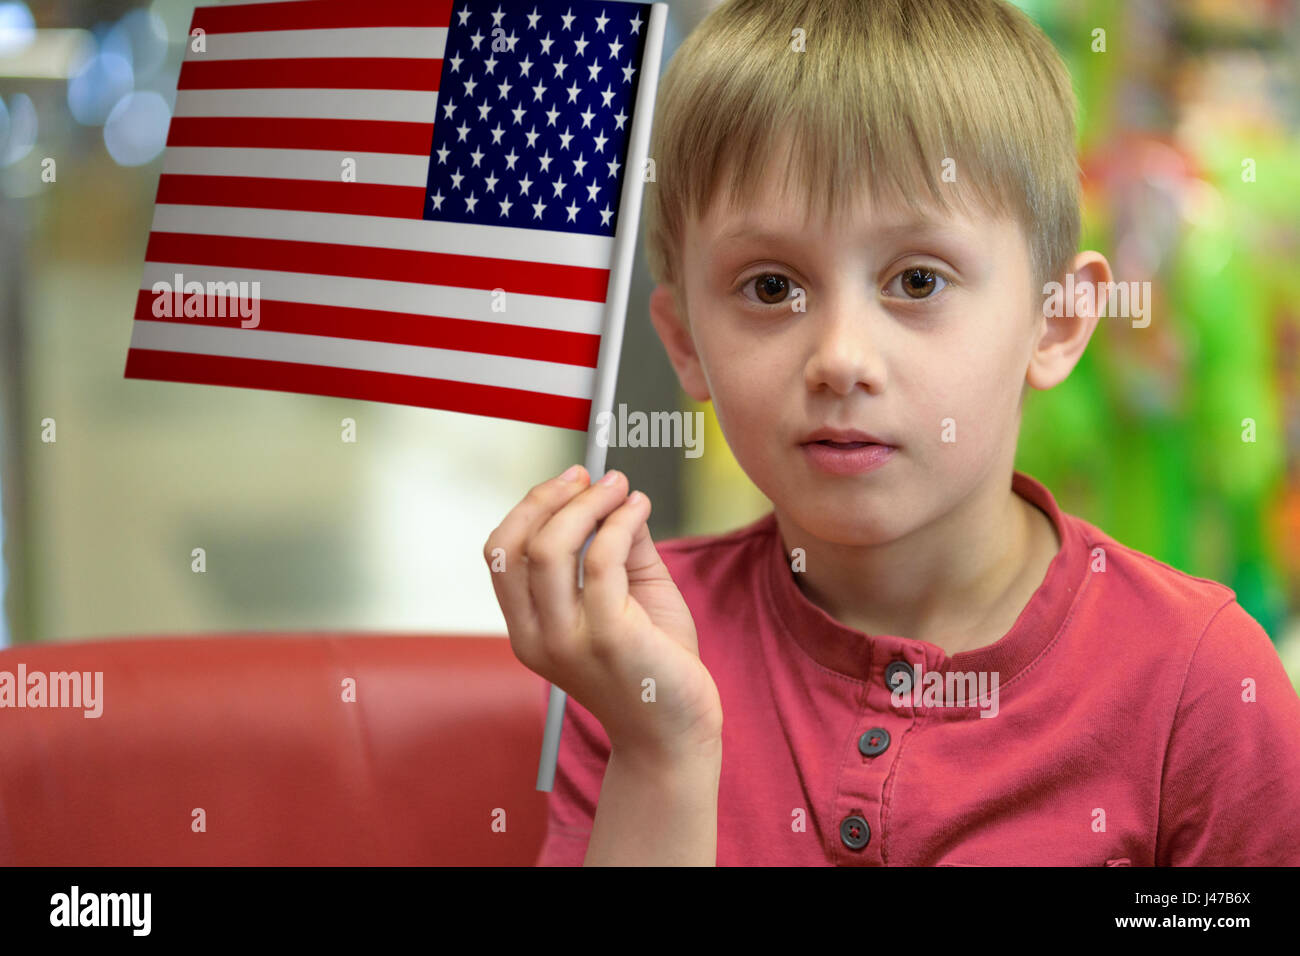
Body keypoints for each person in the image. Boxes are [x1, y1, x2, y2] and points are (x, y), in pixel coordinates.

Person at [484, 0, 1300, 865]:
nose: (840, 357)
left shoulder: (1203, 681)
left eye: (917, 279)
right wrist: (663, 751)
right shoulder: (639, 642)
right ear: (685, 341)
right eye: (770, 288)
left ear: (1057, 321)